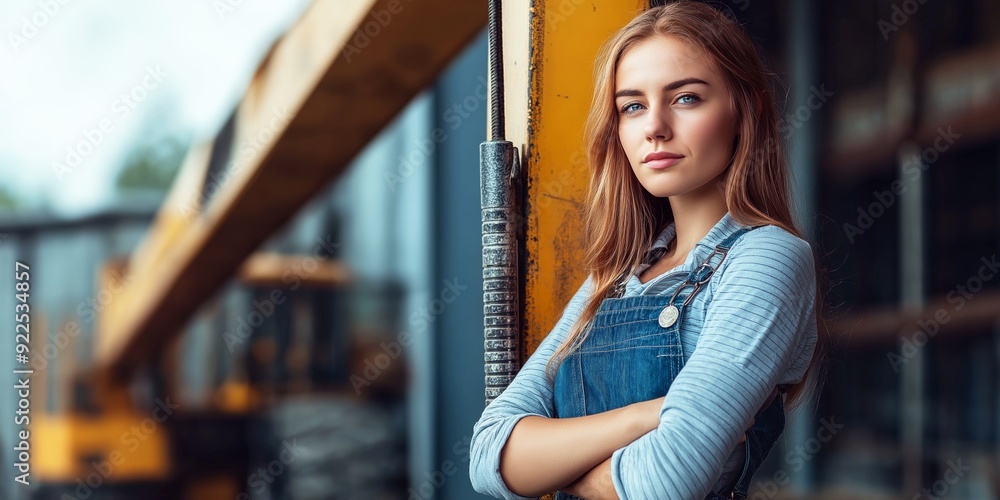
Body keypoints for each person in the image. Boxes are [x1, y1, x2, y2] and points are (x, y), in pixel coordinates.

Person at [470, 2, 824, 499]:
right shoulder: (613, 278)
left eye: (685, 99)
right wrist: (650, 414)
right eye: (632, 106)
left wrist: (549, 467)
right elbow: (488, 457)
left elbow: (663, 483)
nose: (654, 126)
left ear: (745, 110)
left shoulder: (767, 258)